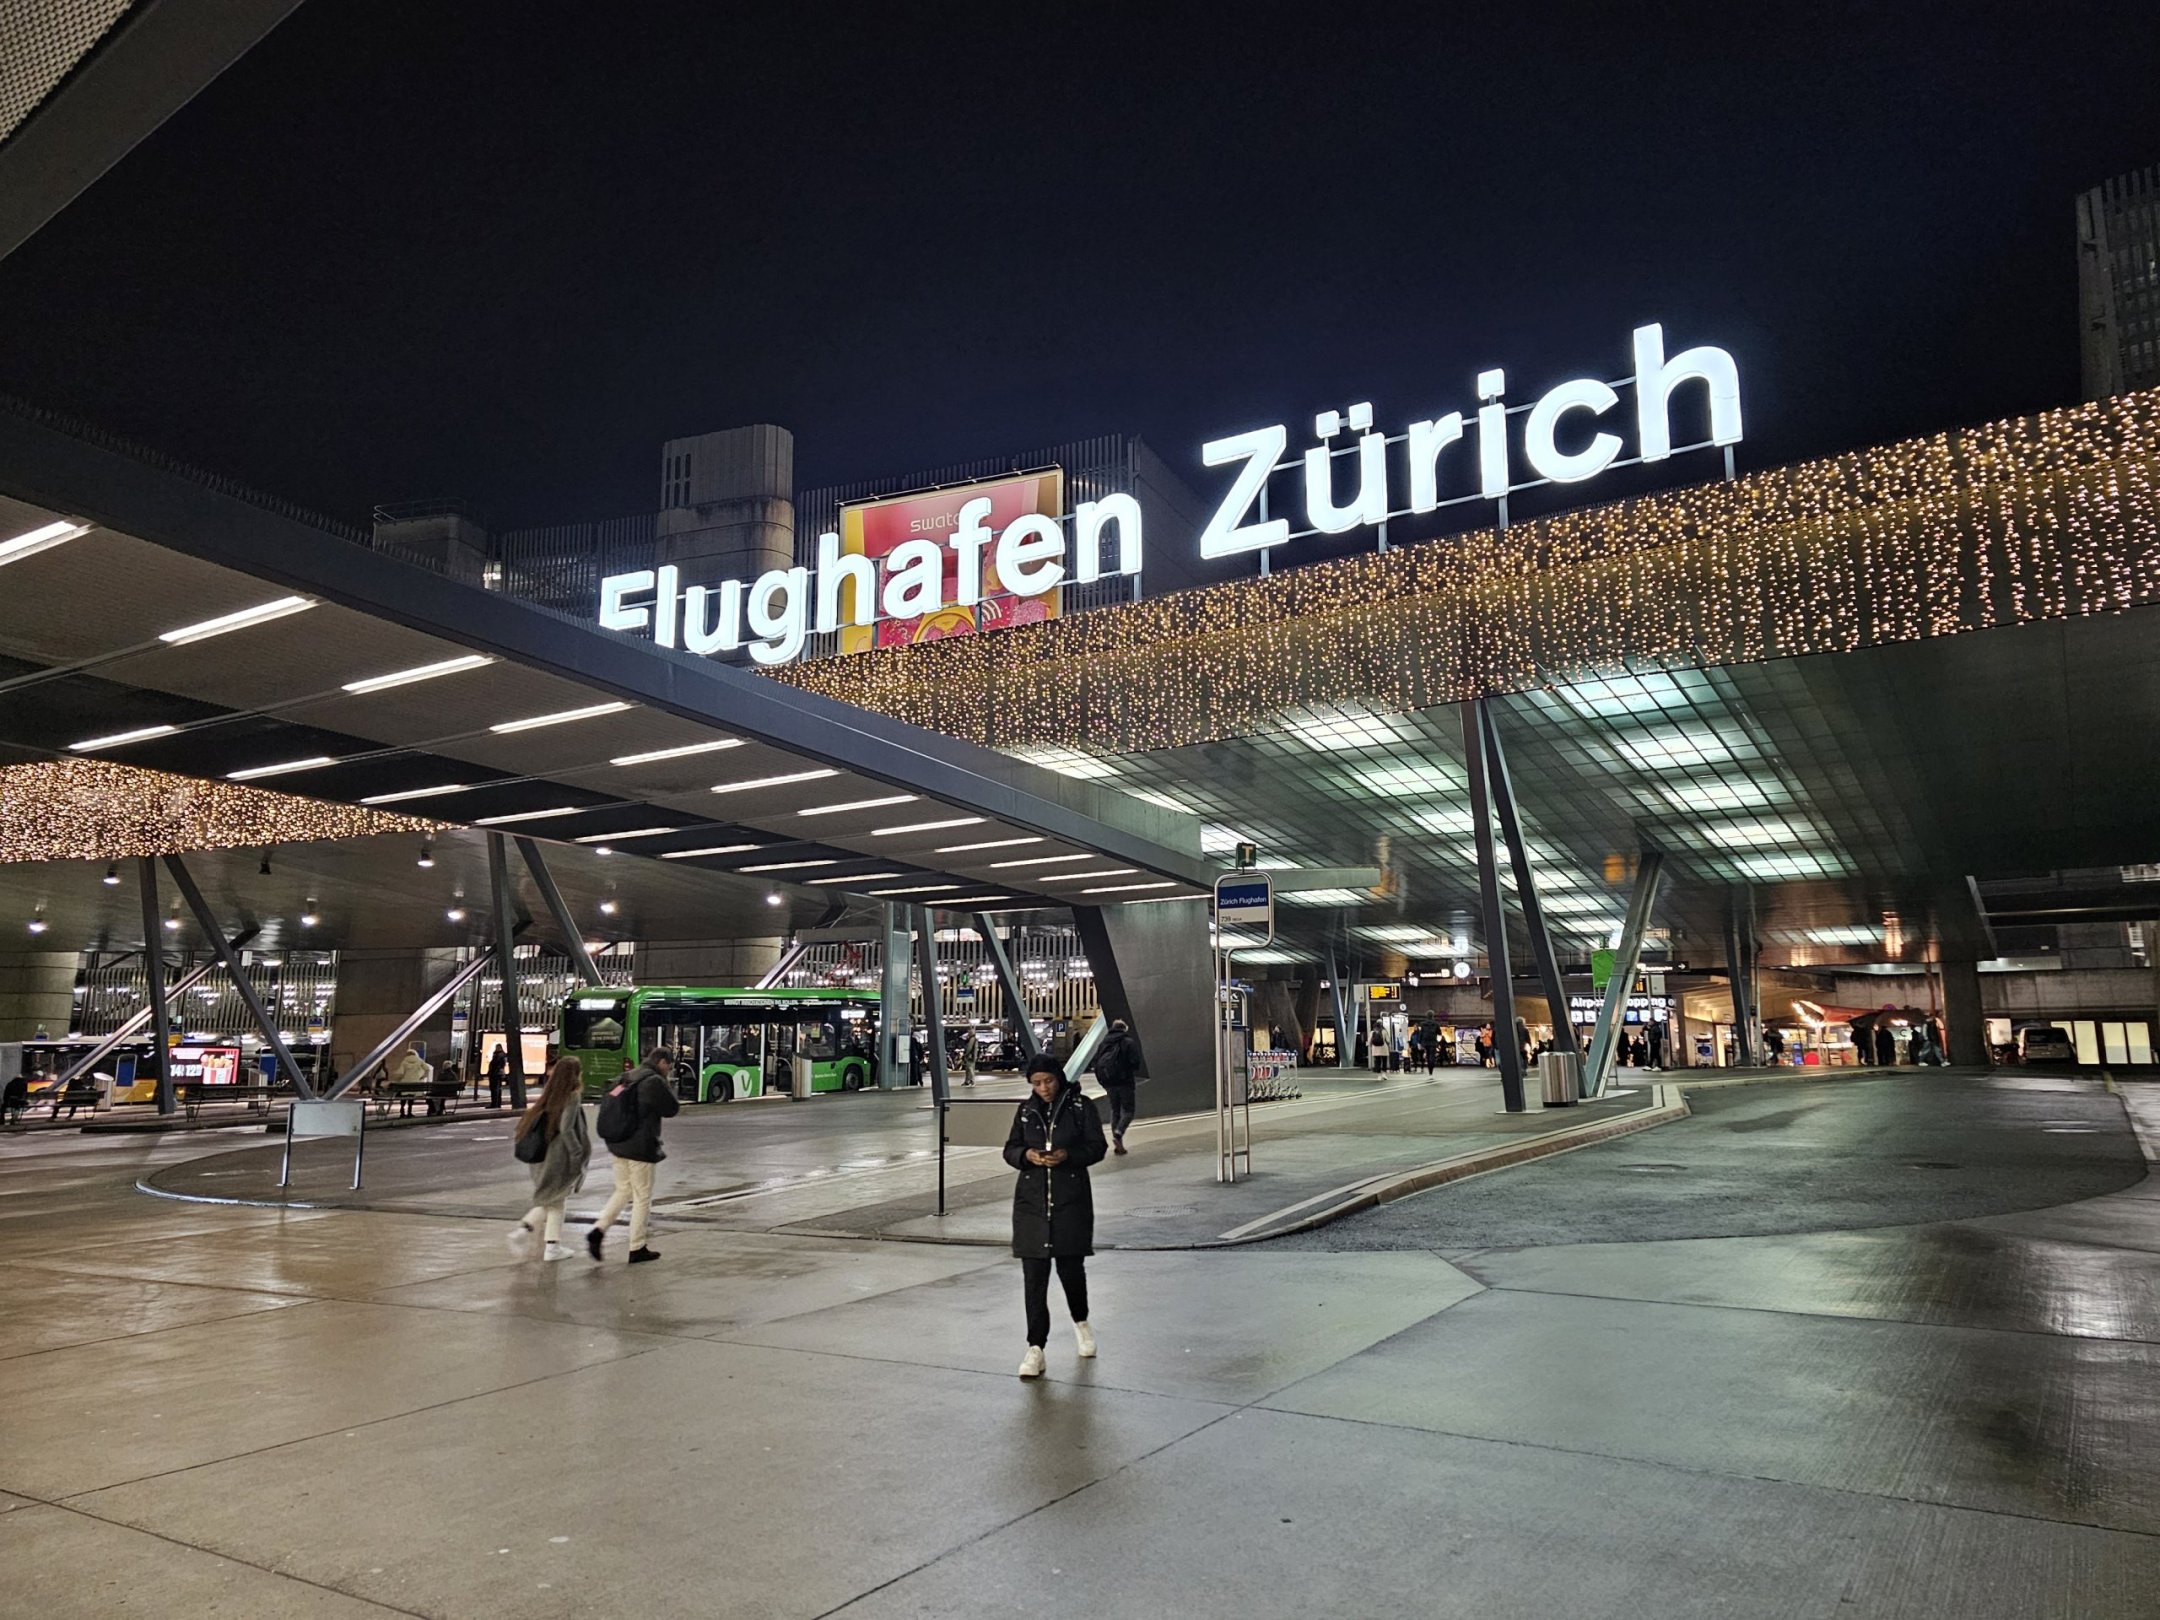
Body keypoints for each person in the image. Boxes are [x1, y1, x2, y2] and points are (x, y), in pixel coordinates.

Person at [1003, 1056, 1107, 1379]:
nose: (1043, 1088)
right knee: (1034, 1278)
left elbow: (1097, 1147)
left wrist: (1067, 1156)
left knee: (1070, 1270)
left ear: (1058, 1078)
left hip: (1070, 1202)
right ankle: (1036, 1347)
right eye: (1036, 1083)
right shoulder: (1026, 1111)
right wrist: (1027, 1155)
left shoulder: (1080, 1107)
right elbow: (1010, 1149)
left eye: (1048, 1080)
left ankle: (1081, 1322)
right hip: (1031, 1205)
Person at [586, 1048, 679, 1264]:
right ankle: (637, 1247)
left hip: (618, 1143)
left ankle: (598, 1230)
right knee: (642, 1197)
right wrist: (668, 1086)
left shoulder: (626, 1078)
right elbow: (671, 1109)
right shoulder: (653, 1081)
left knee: (623, 1190)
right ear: (661, 1062)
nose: (669, 1070)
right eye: (669, 1065)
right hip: (640, 1147)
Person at [508, 1057, 592, 1261]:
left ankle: (526, 1233)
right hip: (559, 1157)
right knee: (556, 1202)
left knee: (551, 1201)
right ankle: (550, 1246)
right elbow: (566, 1128)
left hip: (542, 1156)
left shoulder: (550, 1095)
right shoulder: (571, 1096)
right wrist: (577, 1154)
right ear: (575, 1074)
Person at [1093, 1018, 1142, 1155]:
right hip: (1124, 1081)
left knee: (1115, 1110)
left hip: (1109, 1083)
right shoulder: (1128, 1042)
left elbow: (1096, 1061)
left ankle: (1119, 1145)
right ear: (1124, 1029)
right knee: (1128, 1111)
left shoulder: (1104, 1043)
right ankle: (1118, 1133)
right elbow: (1135, 1061)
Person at [487, 1044, 510, 1109]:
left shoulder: (498, 1055)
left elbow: (496, 1065)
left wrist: (492, 1071)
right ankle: (497, 1104)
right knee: (497, 1089)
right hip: (497, 1074)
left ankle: (495, 1104)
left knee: (495, 1089)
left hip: (495, 1074)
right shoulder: (501, 1055)